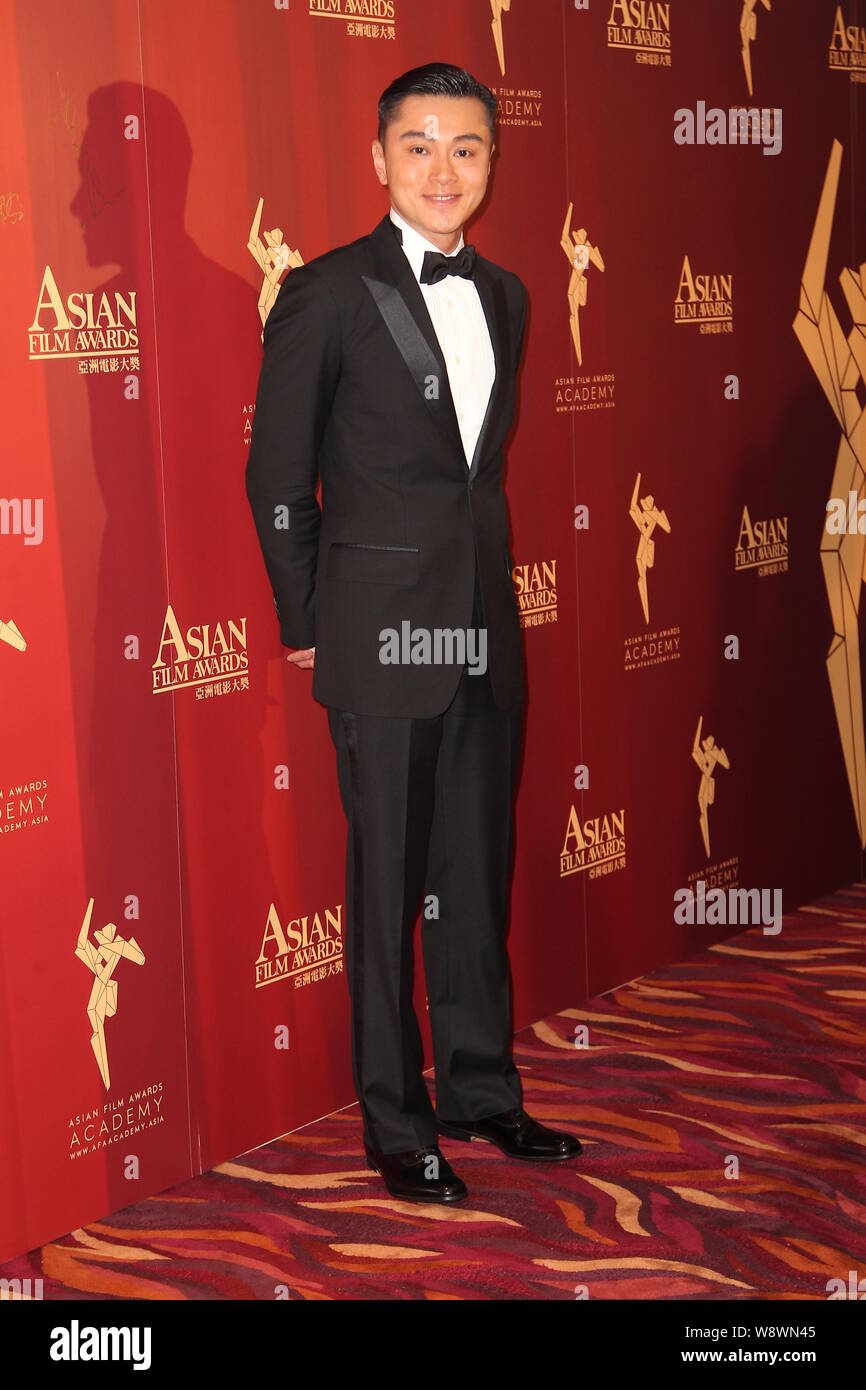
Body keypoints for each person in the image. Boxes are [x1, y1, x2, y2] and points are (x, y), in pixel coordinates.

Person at [246, 61, 582, 1204]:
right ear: (380, 157)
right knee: (389, 889)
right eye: (421, 145)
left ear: (492, 162)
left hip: (484, 628)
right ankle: (398, 1127)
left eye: (467, 148)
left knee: (474, 878)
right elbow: (276, 475)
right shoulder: (324, 292)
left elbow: (468, 479)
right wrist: (306, 623)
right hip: (381, 638)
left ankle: (483, 1092)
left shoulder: (512, 297)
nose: (444, 169)